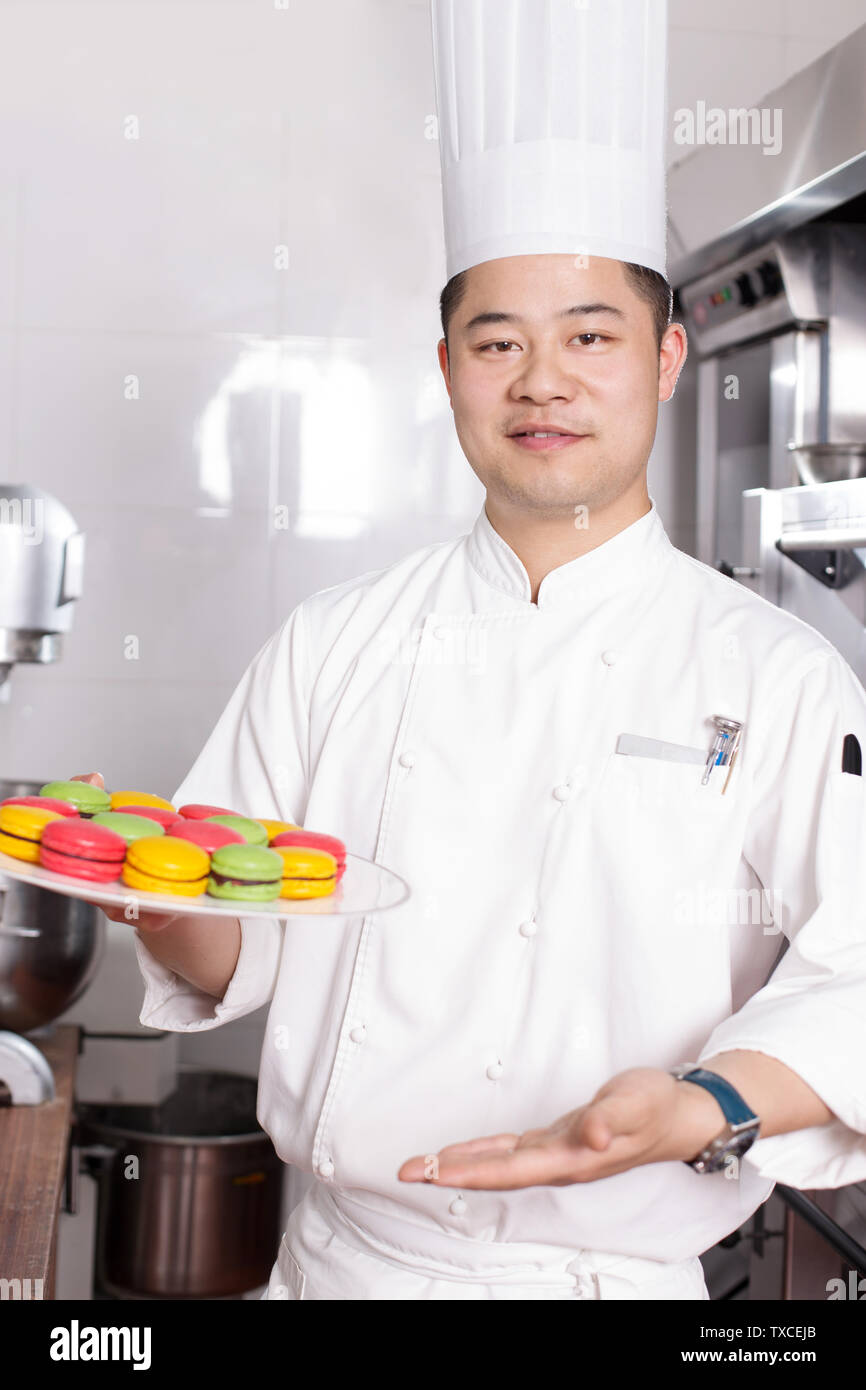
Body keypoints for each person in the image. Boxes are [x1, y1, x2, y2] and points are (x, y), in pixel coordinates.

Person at [78, 244, 866, 1300]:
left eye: (589, 336)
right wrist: (148, 894)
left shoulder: (776, 673)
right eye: (497, 343)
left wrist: (698, 1105)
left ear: (668, 356)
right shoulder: (334, 641)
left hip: (597, 1283)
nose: (541, 380)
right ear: (446, 368)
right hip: (340, 1275)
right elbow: (235, 943)